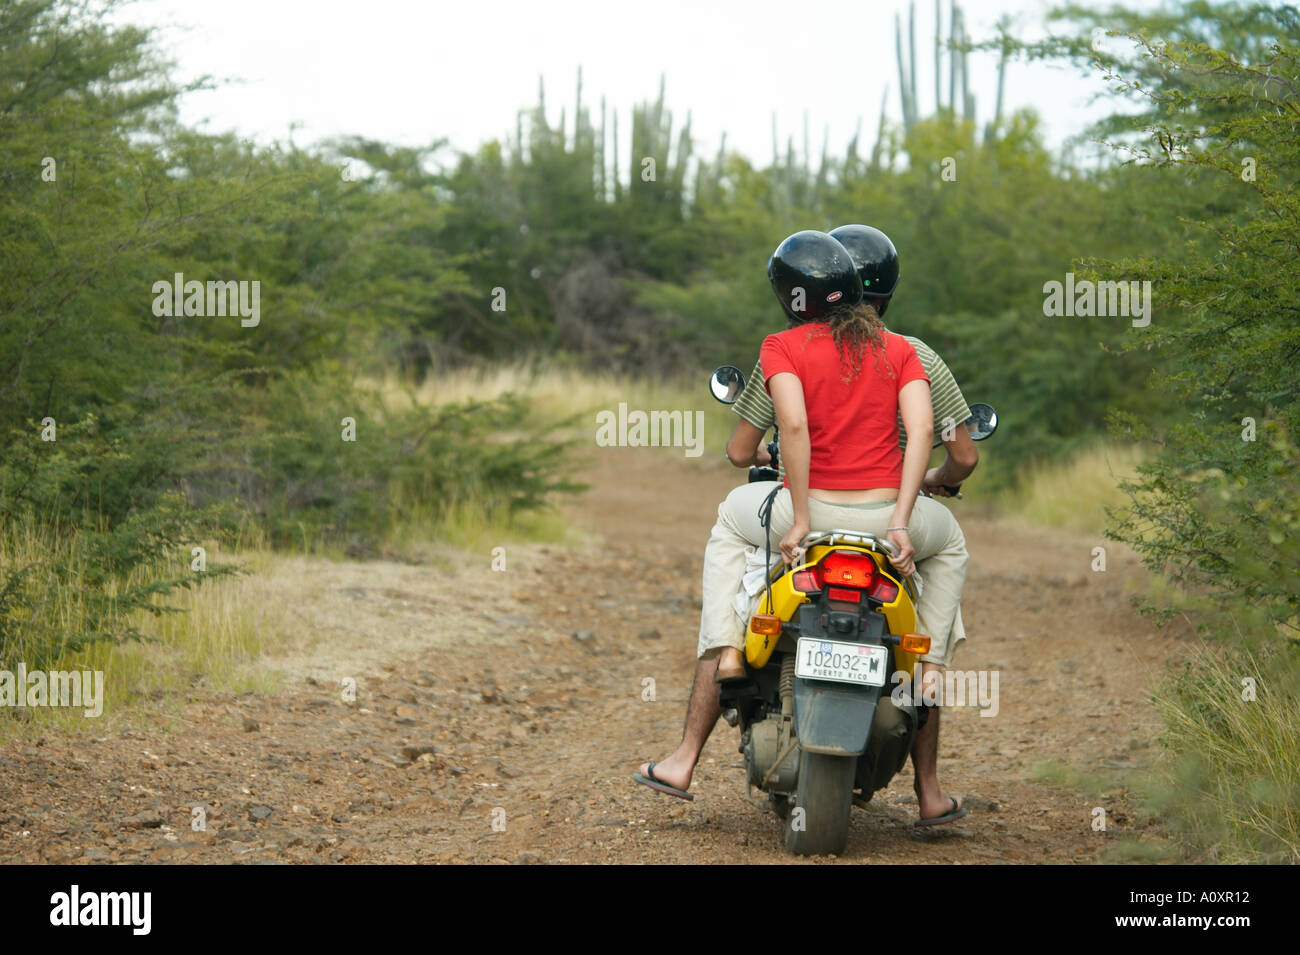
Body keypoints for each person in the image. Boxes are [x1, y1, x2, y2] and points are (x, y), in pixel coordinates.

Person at [636, 228, 970, 827]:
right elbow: (925, 434)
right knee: (950, 544)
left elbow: (786, 430)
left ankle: (717, 680)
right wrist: (898, 520)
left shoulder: (782, 346)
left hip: (806, 510)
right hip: (886, 513)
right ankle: (932, 682)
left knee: (730, 528)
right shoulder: (901, 350)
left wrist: (806, 518)